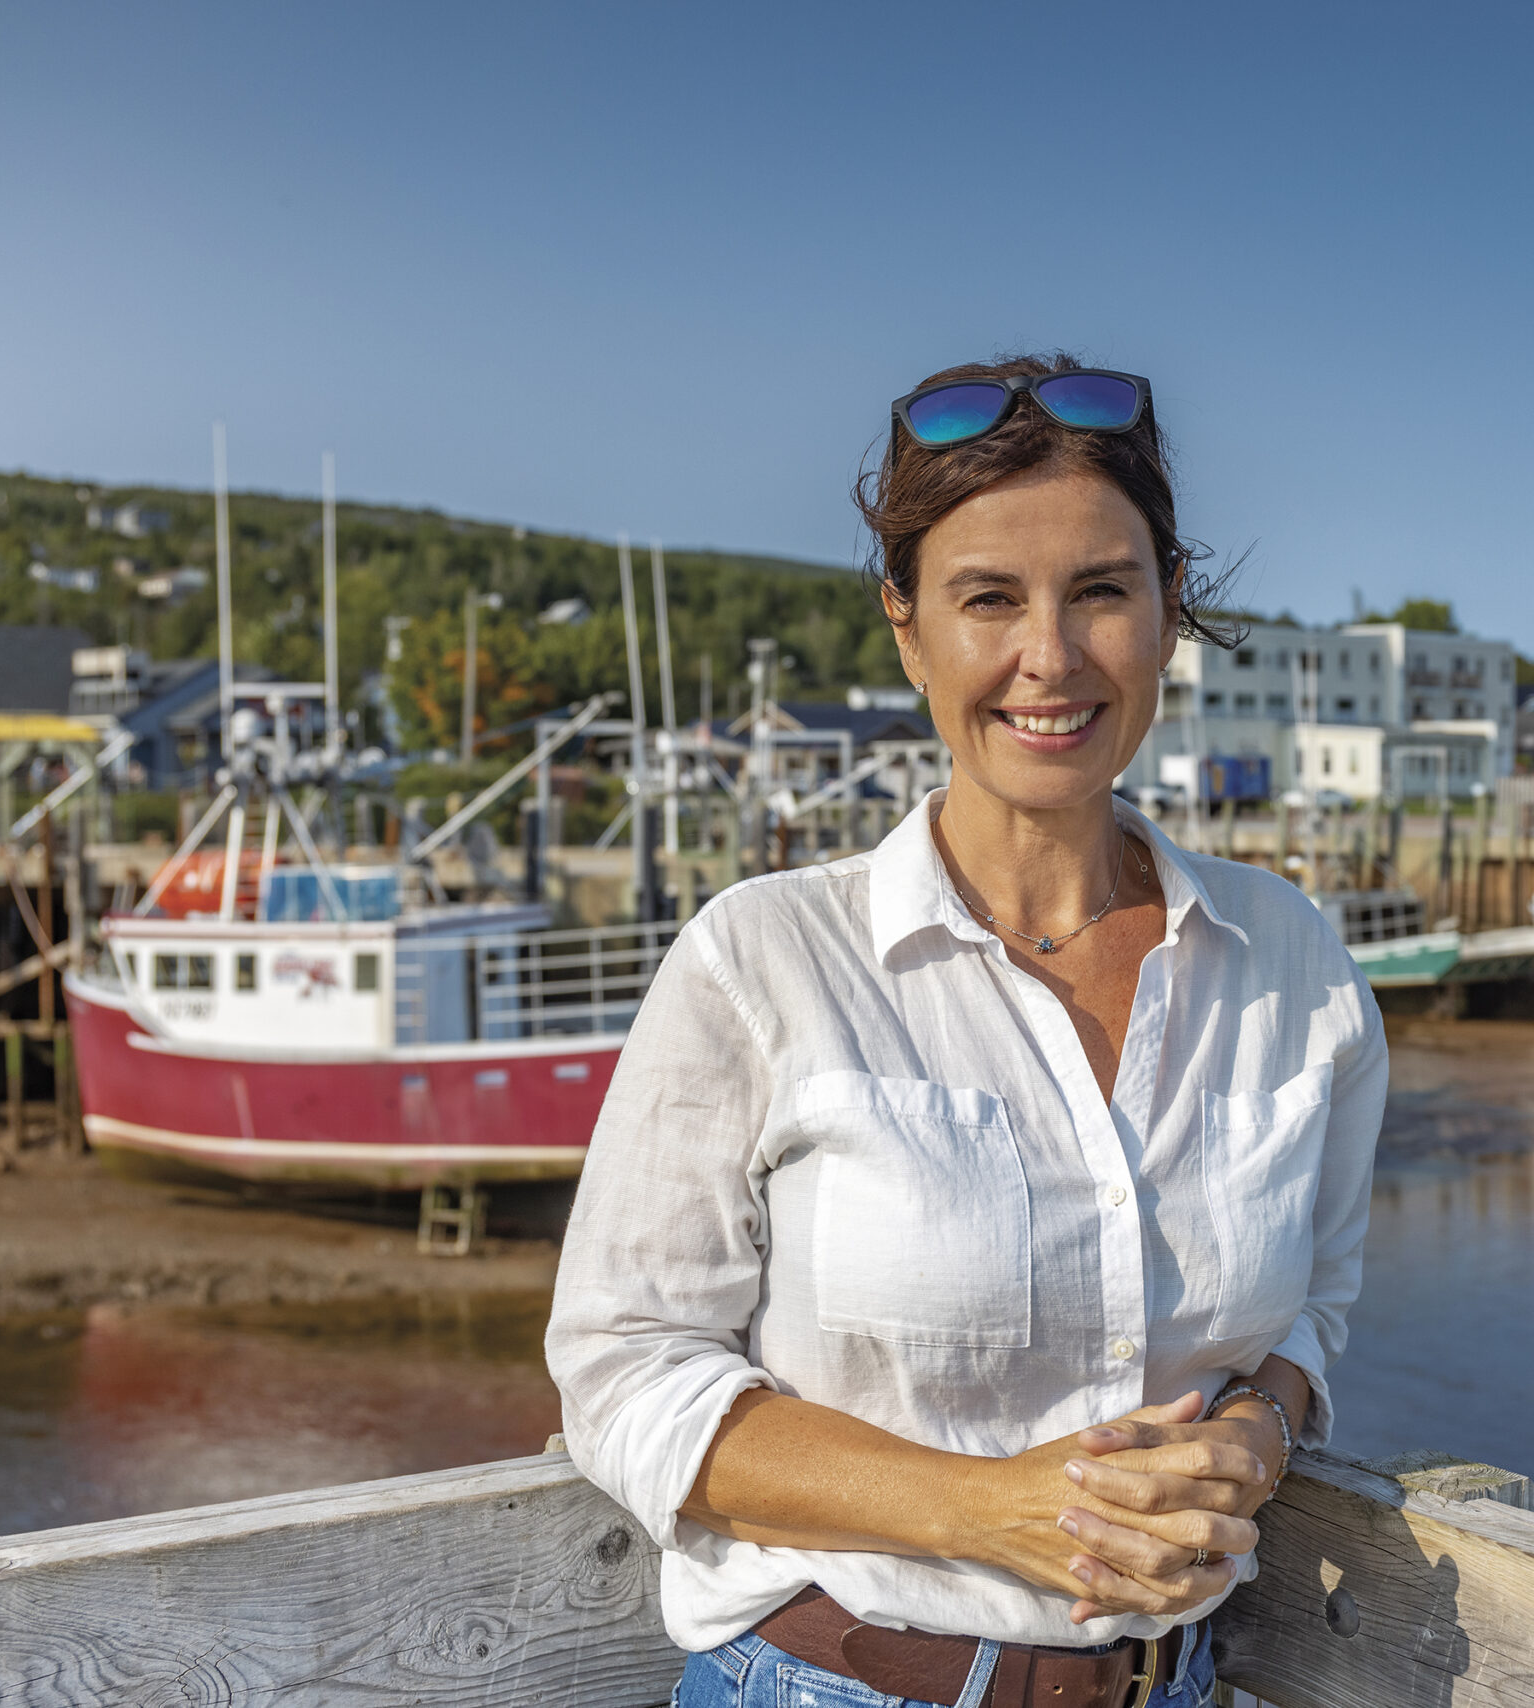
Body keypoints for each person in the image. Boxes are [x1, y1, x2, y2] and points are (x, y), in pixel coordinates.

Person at [547, 353, 1386, 1708]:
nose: (1047, 659)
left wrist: (1260, 1435)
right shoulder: (764, 960)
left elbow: (1318, 1316)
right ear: (906, 625)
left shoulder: (1292, 964)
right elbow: (625, 1369)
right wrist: (984, 1510)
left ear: (1171, 608)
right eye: (987, 599)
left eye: (1102, 592)